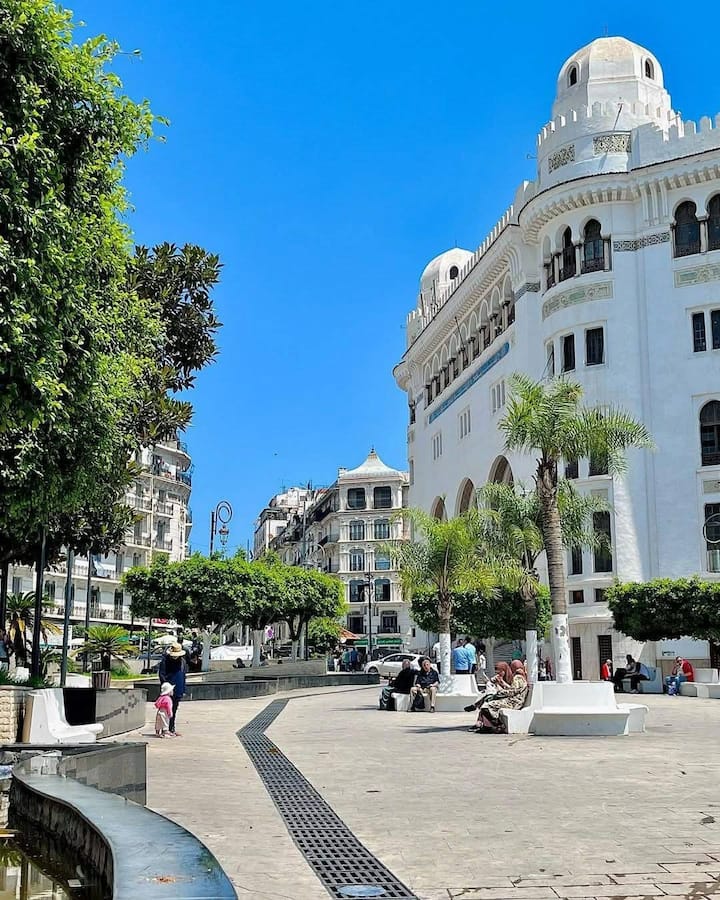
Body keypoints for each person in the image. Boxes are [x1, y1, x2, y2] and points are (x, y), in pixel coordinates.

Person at [472, 660, 529, 733]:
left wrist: (500, 689)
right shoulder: (517, 677)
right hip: (512, 700)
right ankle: (487, 726)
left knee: (486, 706)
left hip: (514, 702)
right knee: (487, 702)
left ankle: (499, 725)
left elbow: (512, 691)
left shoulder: (518, 678)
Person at [158, 643, 187, 736]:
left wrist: (183, 689)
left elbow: (183, 675)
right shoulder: (165, 661)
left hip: (178, 689)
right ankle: (164, 729)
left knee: (173, 709)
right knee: (165, 710)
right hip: (168, 689)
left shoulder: (182, 661)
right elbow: (162, 674)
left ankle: (171, 728)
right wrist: (165, 687)